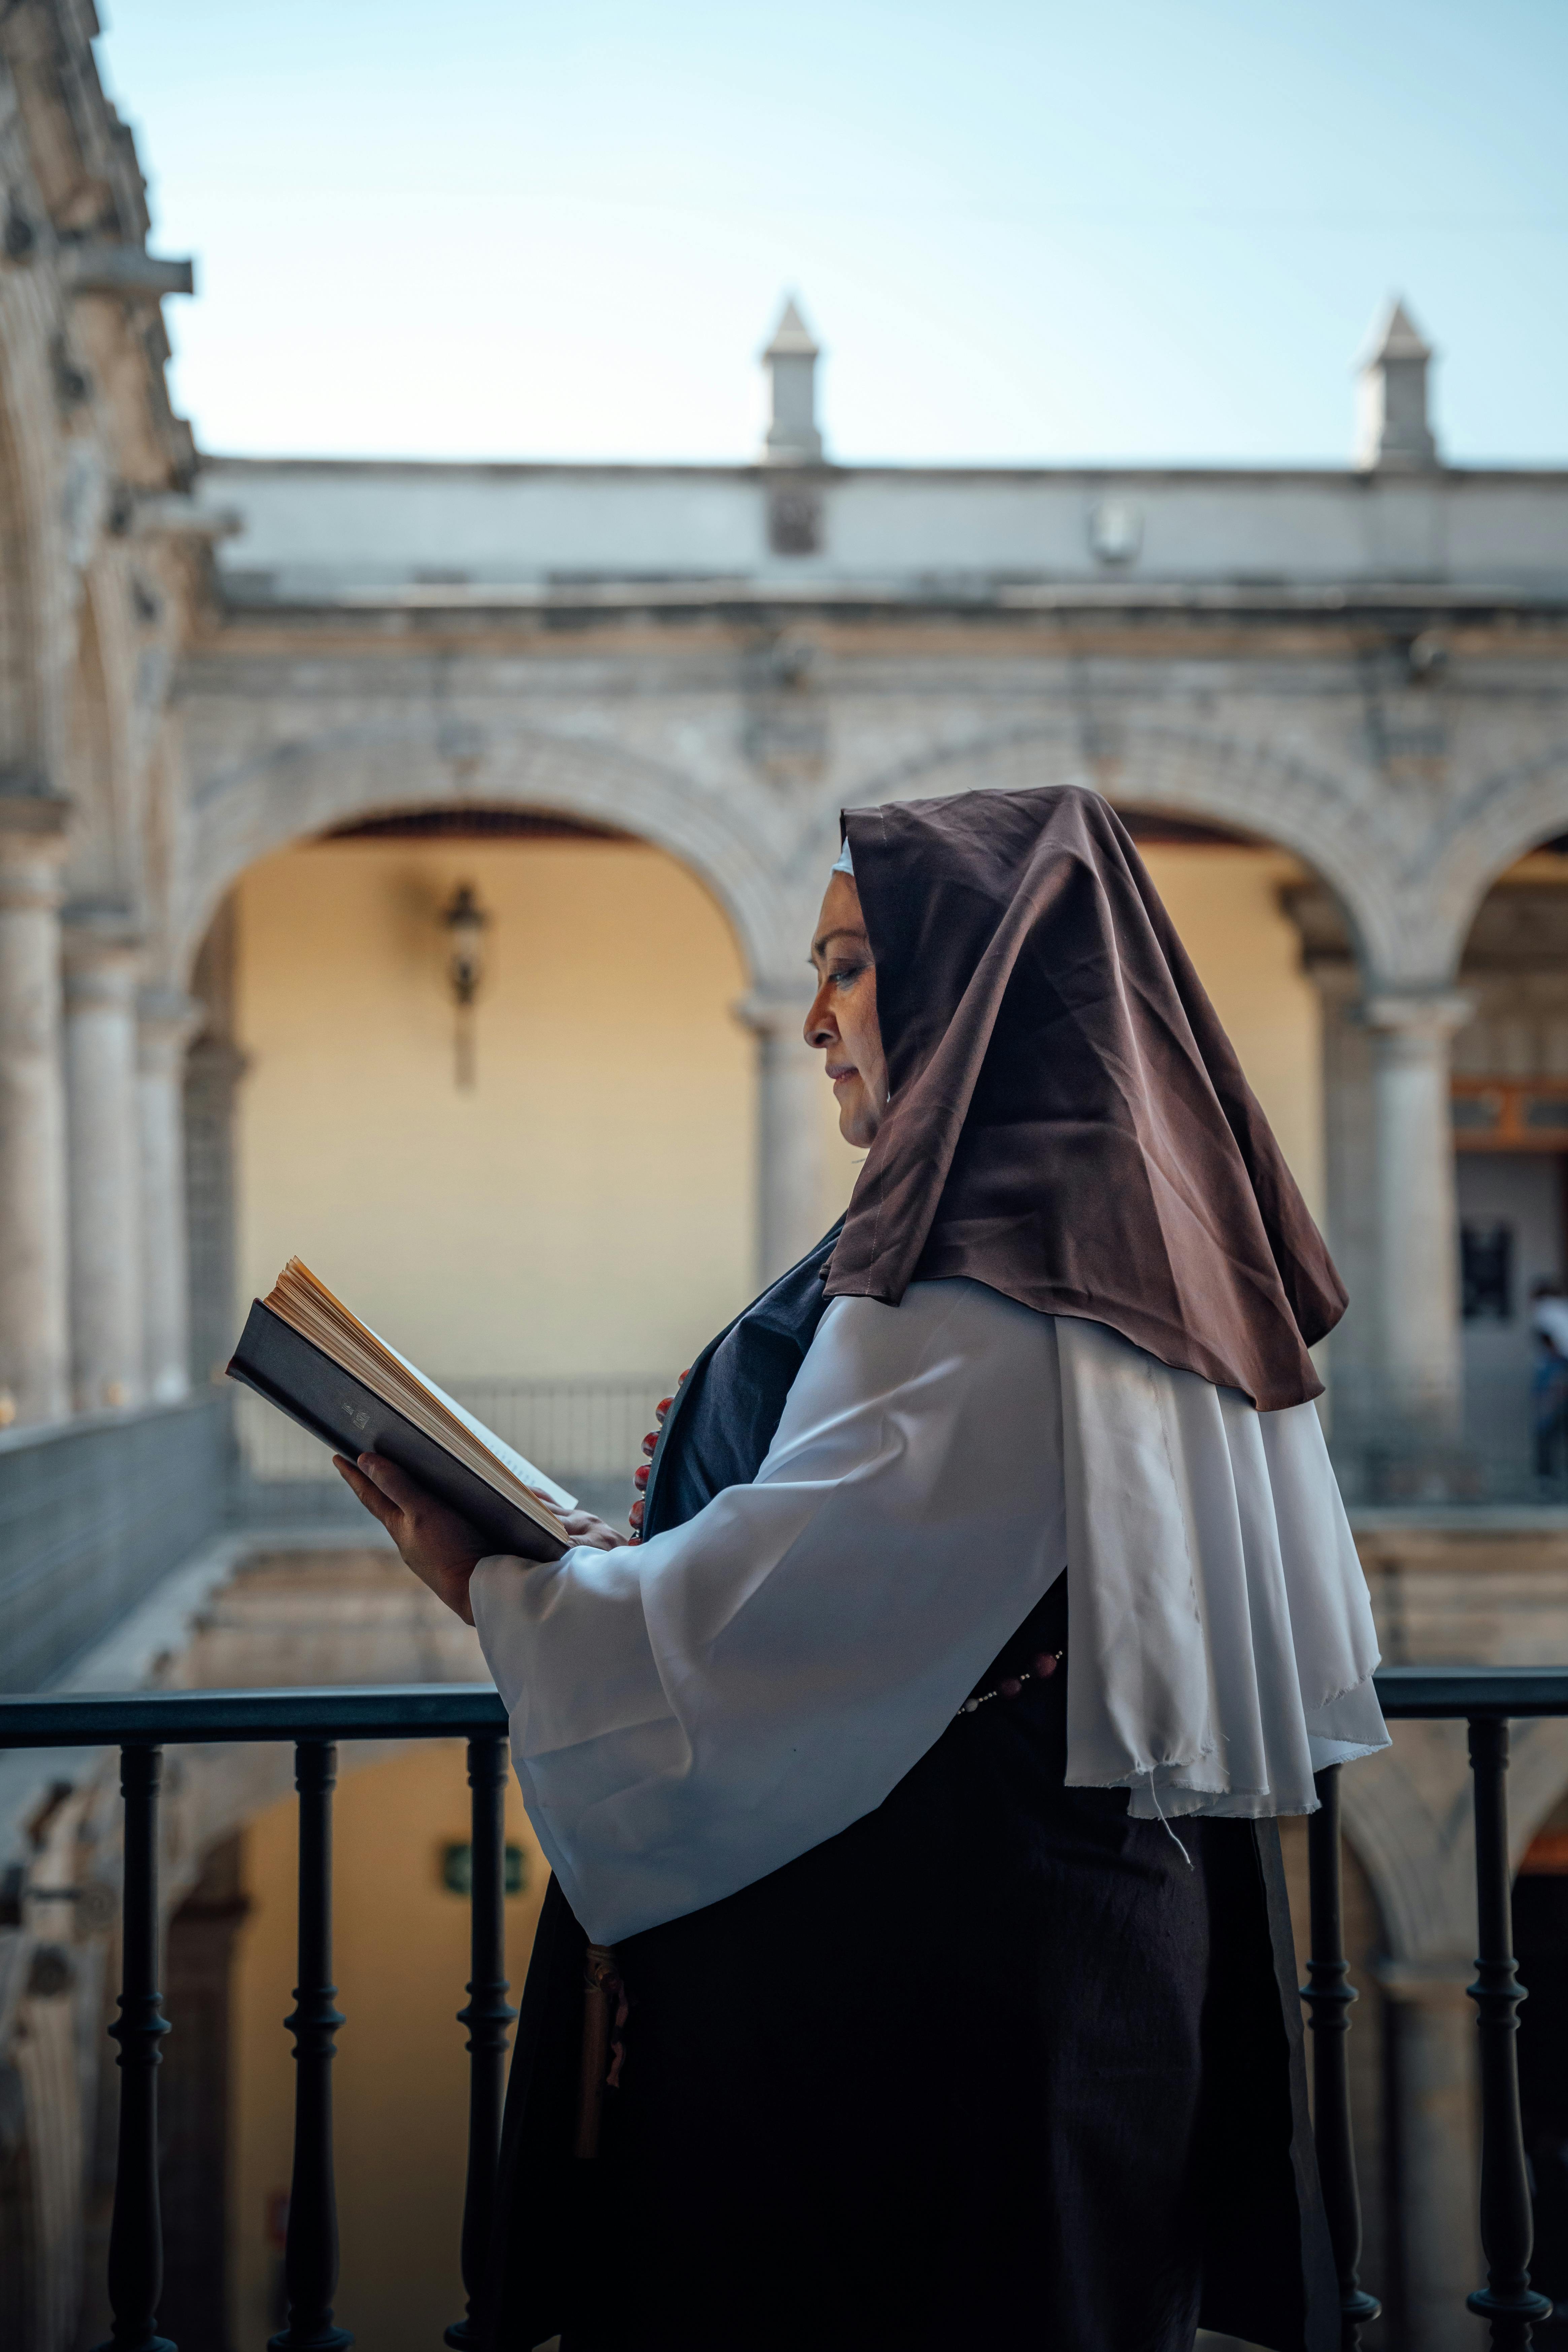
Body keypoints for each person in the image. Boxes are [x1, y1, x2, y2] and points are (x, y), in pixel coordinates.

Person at [337, 786, 1388, 2352]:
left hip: (931, 2008)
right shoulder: (1078, 1236)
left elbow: (786, 1622)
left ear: (967, 984)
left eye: (849, 963)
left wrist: (503, 1584)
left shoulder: (993, 1281)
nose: (814, 1013)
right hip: (1022, 1955)